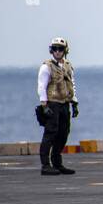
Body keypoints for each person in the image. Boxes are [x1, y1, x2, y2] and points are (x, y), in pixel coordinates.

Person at [36, 37, 78, 176]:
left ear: (65, 50)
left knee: (63, 133)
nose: (57, 51)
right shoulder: (46, 66)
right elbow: (41, 86)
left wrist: (74, 103)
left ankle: (57, 162)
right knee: (50, 133)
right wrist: (44, 105)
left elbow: (72, 84)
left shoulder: (68, 66)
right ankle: (45, 165)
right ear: (51, 50)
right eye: (55, 49)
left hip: (64, 103)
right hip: (52, 103)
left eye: (60, 49)